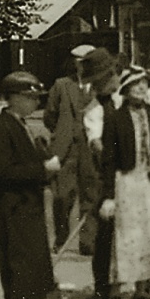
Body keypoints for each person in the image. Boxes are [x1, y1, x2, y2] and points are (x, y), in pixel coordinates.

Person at [0, 71, 62, 299]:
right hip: (13, 209)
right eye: (29, 98)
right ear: (13, 98)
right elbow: (6, 171)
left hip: (26, 208)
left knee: (29, 265)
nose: (34, 103)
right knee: (18, 265)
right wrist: (42, 169)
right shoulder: (0, 129)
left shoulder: (20, 126)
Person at [96, 60, 150, 299]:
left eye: (144, 84)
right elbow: (108, 160)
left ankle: (143, 292)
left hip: (149, 183)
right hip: (126, 181)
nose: (141, 88)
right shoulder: (115, 119)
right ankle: (117, 291)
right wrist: (108, 196)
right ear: (125, 90)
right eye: (135, 85)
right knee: (124, 237)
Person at [72, 46, 121, 299]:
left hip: (130, 174)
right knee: (104, 233)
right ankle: (103, 286)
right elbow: (96, 144)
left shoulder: (127, 99)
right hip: (106, 176)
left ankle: (131, 286)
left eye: (104, 79)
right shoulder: (93, 111)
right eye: (95, 82)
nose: (102, 85)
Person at [44, 44, 101, 259]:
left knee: (91, 193)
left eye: (86, 62)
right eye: (78, 61)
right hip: (67, 149)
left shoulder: (99, 86)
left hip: (91, 148)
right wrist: (62, 134)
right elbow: (50, 115)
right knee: (61, 195)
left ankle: (88, 242)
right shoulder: (62, 85)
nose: (81, 66)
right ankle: (61, 239)